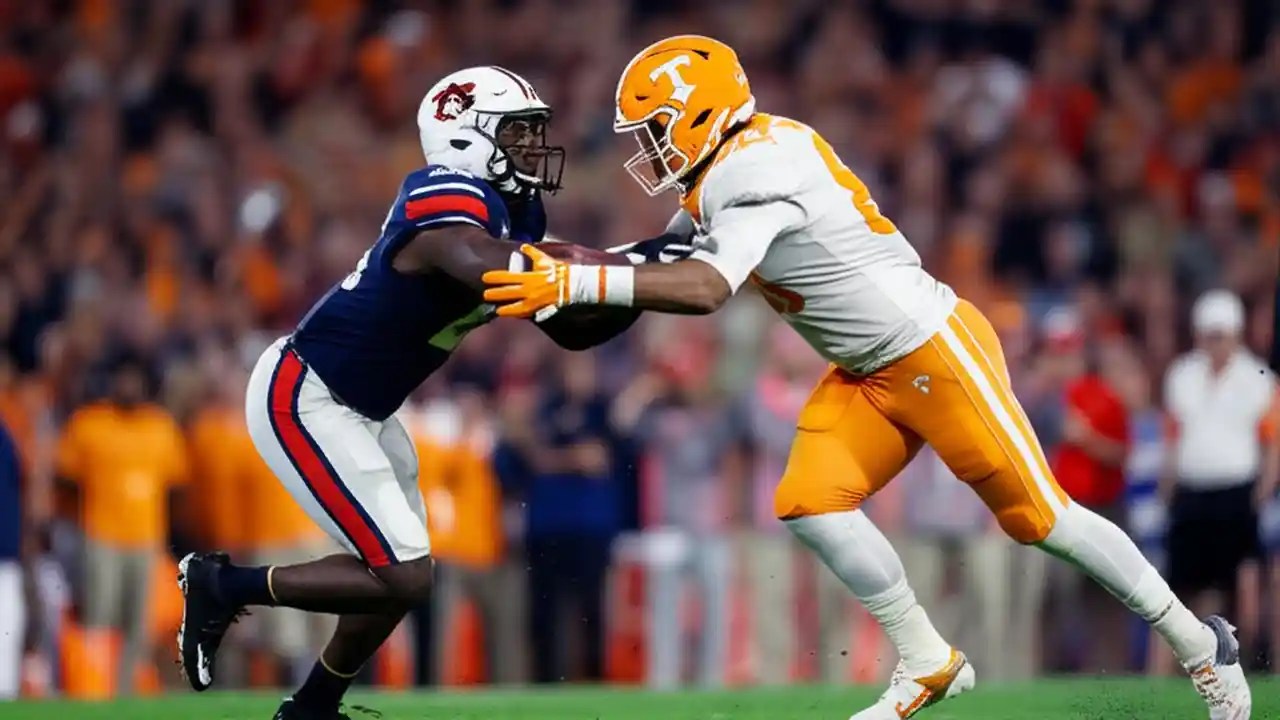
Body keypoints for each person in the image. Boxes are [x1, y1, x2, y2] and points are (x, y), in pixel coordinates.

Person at [481, 35, 1252, 720]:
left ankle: (1199, 644)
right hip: (865, 372)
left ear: (696, 114)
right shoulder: (729, 165)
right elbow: (662, 257)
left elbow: (708, 286)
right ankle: (928, 660)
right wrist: (573, 267)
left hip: (932, 351)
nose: (645, 150)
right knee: (809, 504)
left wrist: (582, 287)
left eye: (654, 130)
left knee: (1040, 520)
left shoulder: (753, 169)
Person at [175, 67, 653, 720]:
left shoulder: (517, 212)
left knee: (397, 579)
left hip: (364, 409)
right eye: (516, 133)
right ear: (464, 139)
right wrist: (607, 267)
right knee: (404, 573)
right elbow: (479, 260)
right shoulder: (440, 192)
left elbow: (568, 326)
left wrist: (637, 281)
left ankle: (312, 709)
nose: (533, 147)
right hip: (306, 395)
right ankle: (223, 584)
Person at [57, 353, 188, 696]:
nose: (127, 386)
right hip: (101, 537)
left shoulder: (160, 426)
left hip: (145, 540)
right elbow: (67, 481)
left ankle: (124, 695)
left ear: (145, 385)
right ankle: (92, 691)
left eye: (134, 379)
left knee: (138, 626)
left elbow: (176, 487)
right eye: (122, 378)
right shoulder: (90, 423)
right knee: (99, 622)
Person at [1163, 290, 1278, 668]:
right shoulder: (1182, 375)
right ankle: (1183, 669)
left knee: (1242, 582)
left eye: (1221, 335)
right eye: (1208, 335)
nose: (1214, 344)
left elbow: (1271, 442)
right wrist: (1169, 487)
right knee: (1182, 587)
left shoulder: (1257, 378)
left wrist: (1261, 492)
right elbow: (1174, 437)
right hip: (1193, 491)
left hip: (1236, 490)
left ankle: (1241, 666)